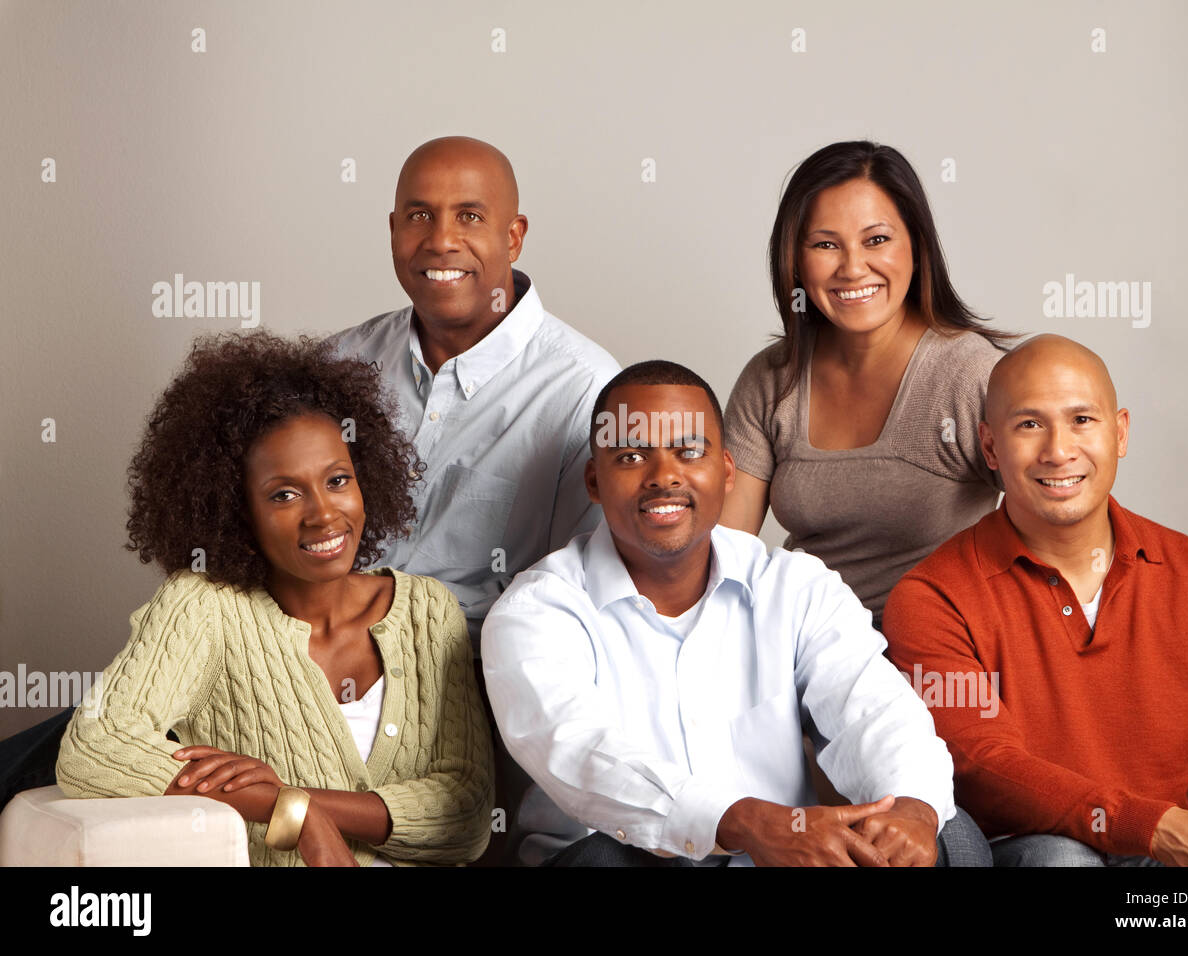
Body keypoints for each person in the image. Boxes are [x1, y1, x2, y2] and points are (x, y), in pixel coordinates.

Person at [482, 360, 991, 866]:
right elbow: (581, 755)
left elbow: (874, 710)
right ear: (595, 481)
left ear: (726, 470)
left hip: (781, 861)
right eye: (633, 455)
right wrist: (748, 823)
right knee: (600, 860)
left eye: (688, 451)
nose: (664, 477)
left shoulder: (792, 585)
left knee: (949, 836)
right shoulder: (536, 612)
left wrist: (909, 806)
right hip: (626, 859)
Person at [55, 331, 494, 866]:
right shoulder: (205, 607)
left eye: (337, 480)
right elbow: (96, 748)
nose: (324, 514)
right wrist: (293, 817)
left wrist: (306, 802)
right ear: (237, 510)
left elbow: (466, 816)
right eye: (283, 494)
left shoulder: (428, 610)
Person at [882, 334, 1188, 866]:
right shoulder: (933, 597)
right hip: (1025, 847)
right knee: (1064, 860)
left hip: (1169, 854)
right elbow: (984, 763)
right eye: (1029, 424)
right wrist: (1152, 826)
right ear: (990, 446)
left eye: (1083, 420)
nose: (1059, 450)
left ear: (1120, 432)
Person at [328, 136, 619, 649]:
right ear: (393, 230)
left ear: (514, 237)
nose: (441, 240)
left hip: (472, 687)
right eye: (419, 216)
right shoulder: (336, 365)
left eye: (469, 216)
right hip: (314, 661)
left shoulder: (584, 390)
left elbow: (580, 603)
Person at [721, 140, 1014, 620]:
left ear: (916, 247)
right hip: (801, 652)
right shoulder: (772, 379)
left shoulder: (968, 373)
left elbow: (1053, 525)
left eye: (876, 240)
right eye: (825, 244)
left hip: (935, 657)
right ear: (795, 259)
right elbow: (725, 557)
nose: (853, 267)